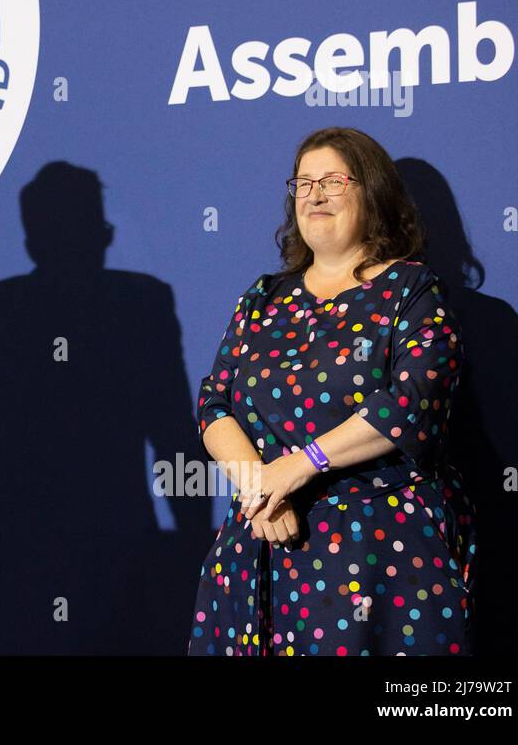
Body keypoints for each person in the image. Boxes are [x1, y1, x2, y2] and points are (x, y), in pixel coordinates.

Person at [187, 126, 475, 656]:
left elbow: (411, 405)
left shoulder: (411, 291)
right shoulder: (262, 298)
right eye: (304, 182)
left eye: (335, 181)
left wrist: (296, 468)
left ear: (374, 193)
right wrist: (262, 490)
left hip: (375, 555)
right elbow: (214, 402)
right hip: (260, 540)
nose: (315, 194)